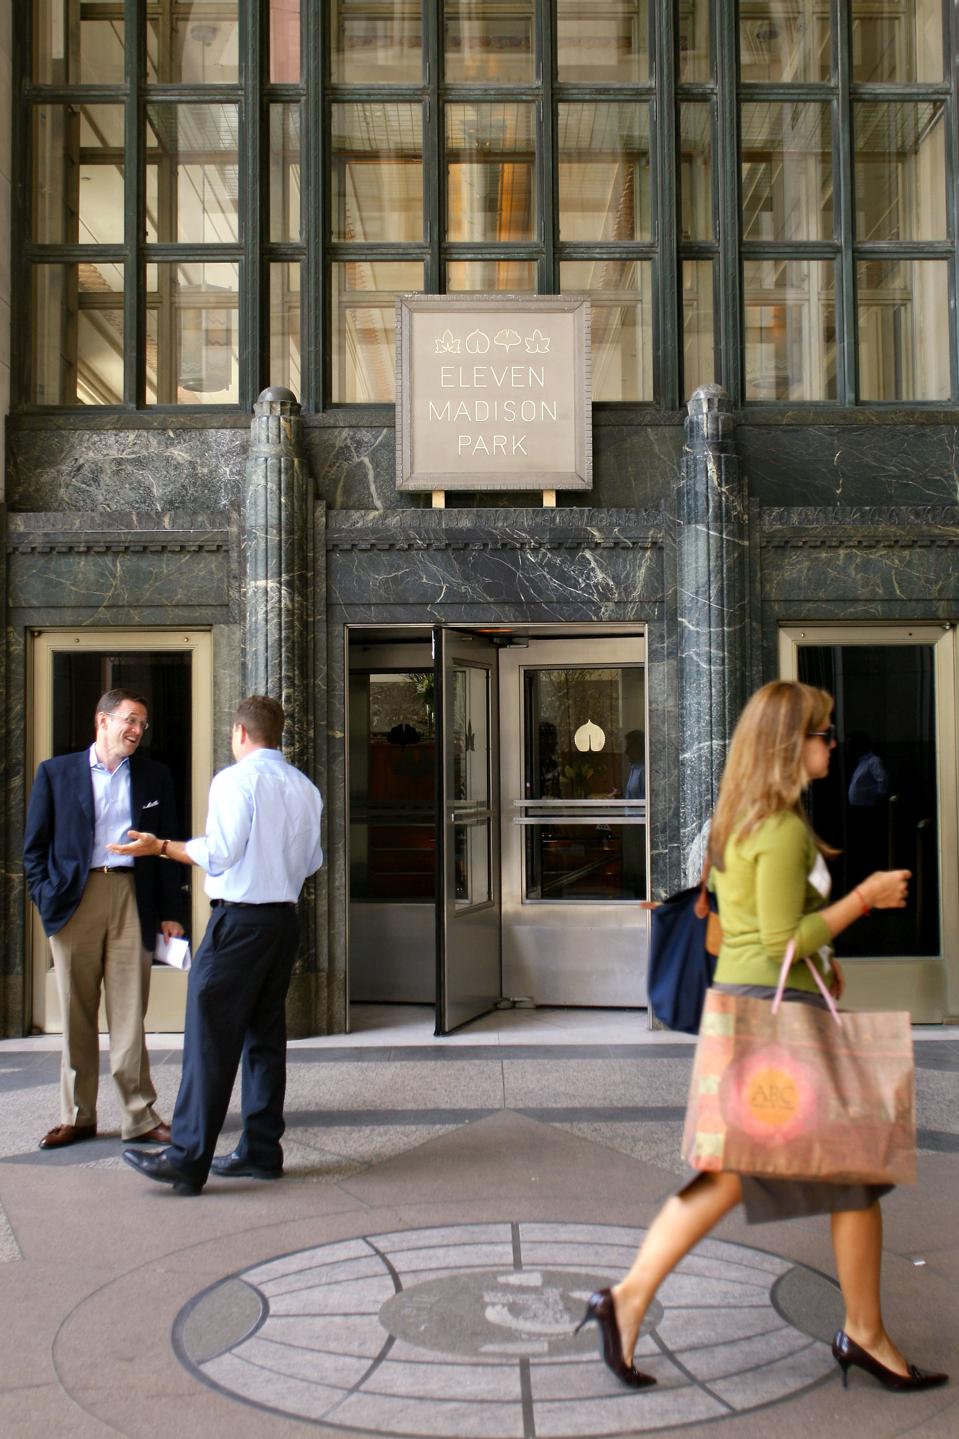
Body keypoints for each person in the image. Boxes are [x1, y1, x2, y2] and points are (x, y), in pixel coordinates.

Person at [578, 681, 948, 1395]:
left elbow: (754, 935)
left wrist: (821, 966)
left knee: (828, 1175)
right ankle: (856, 1331)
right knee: (798, 1172)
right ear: (788, 742)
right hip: (772, 1021)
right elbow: (783, 940)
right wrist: (861, 899)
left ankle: (859, 1329)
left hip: (752, 1009)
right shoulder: (776, 829)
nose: (830, 743)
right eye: (821, 732)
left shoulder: (745, 818)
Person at [108, 695, 323, 1196]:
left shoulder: (234, 780)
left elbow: (221, 855)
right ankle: (262, 1151)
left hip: (238, 924)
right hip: (283, 923)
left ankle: (185, 1160)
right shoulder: (305, 787)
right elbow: (312, 862)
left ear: (240, 734)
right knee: (264, 1039)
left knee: (209, 1038)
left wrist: (161, 846)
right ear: (277, 734)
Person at [23, 688, 185, 1150]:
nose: (136, 730)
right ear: (103, 721)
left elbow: (167, 845)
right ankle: (77, 1115)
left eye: (142, 723)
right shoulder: (56, 774)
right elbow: (34, 848)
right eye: (130, 720)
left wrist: (172, 913)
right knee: (75, 1012)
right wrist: (45, 896)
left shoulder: (156, 776)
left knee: (130, 1010)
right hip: (75, 898)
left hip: (134, 896)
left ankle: (139, 1115)